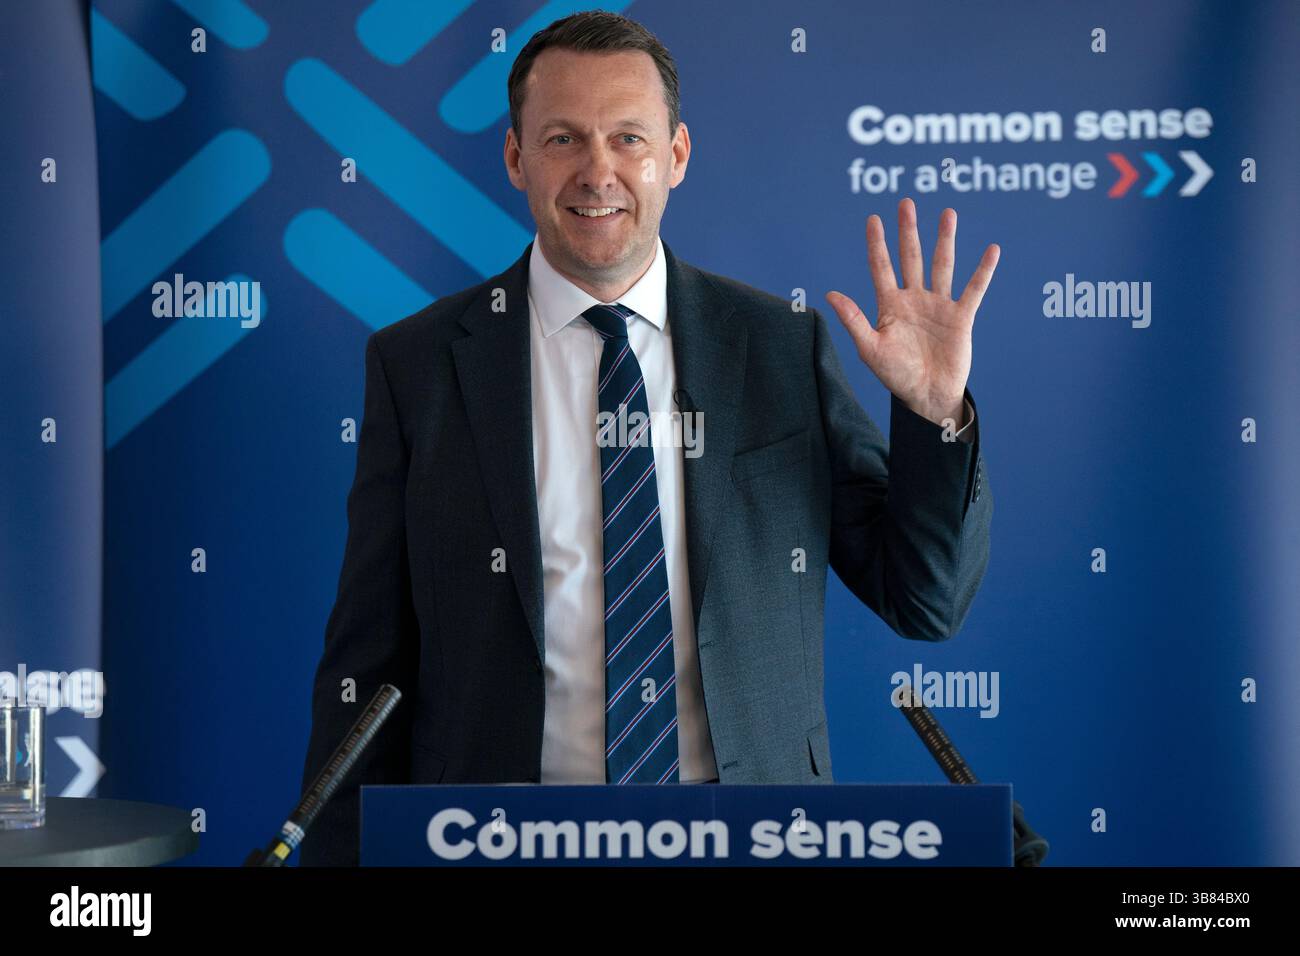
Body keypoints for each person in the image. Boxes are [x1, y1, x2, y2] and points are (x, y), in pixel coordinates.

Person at [299, 10, 998, 866]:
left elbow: (923, 599)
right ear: (517, 158)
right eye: (563, 138)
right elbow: (369, 666)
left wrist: (934, 415)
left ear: (676, 156)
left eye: (629, 137)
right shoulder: (418, 367)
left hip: (754, 838)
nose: (599, 172)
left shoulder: (780, 346)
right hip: (499, 842)